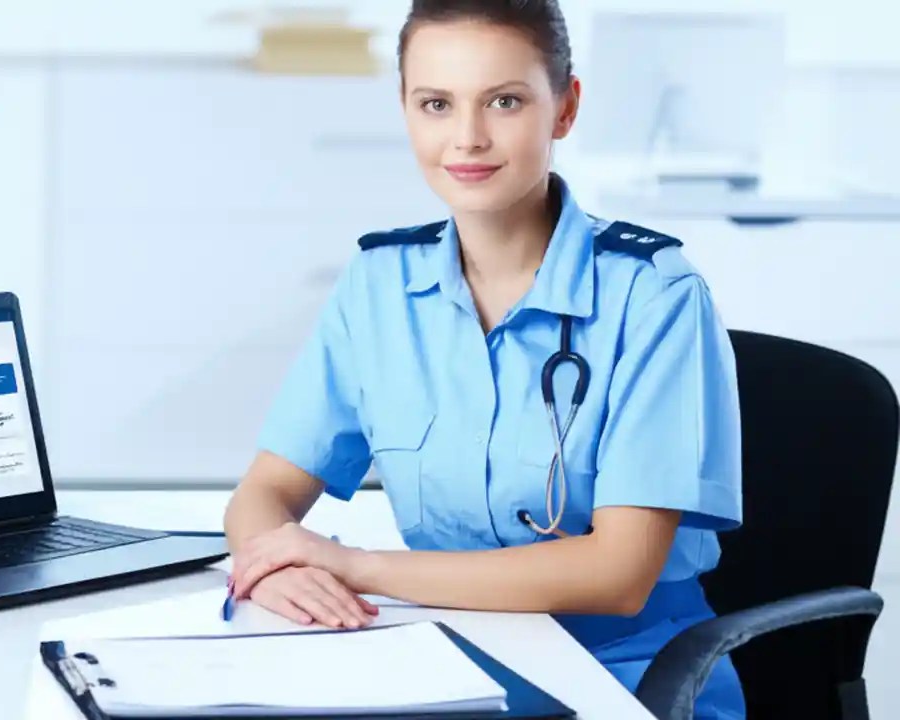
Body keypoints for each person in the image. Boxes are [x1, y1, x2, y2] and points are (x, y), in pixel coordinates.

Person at [221, 0, 746, 717]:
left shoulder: (655, 295)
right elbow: (264, 493)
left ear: (565, 108)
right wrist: (276, 567)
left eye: (504, 101)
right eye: (436, 104)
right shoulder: (379, 285)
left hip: (624, 675)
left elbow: (618, 574)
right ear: (406, 111)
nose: (466, 138)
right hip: (442, 658)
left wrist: (355, 566)